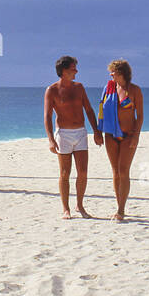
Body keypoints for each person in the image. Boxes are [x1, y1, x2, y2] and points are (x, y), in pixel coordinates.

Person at [43, 56, 102, 219]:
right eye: (73, 68)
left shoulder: (79, 87)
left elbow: (89, 110)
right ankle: (65, 208)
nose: (76, 71)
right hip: (63, 134)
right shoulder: (52, 90)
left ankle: (80, 205)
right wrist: (50, 139)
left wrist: (96, 131)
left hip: (81, 133)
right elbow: (47, 116)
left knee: (83, 172)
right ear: (63, 71)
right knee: (64, 173)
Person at [98, 59, 144, 222]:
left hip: (128, 135)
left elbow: (140, 116)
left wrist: (136, 136)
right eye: (110, 72)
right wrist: (98, 132)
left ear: (122, 73)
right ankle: (119, 205)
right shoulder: (108, 89)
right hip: (110, 134)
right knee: (115, 172)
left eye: (114, 72)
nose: (111, 74)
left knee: (124, 171)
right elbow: (101, 110)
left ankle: (121, 209)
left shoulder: (134, 90)